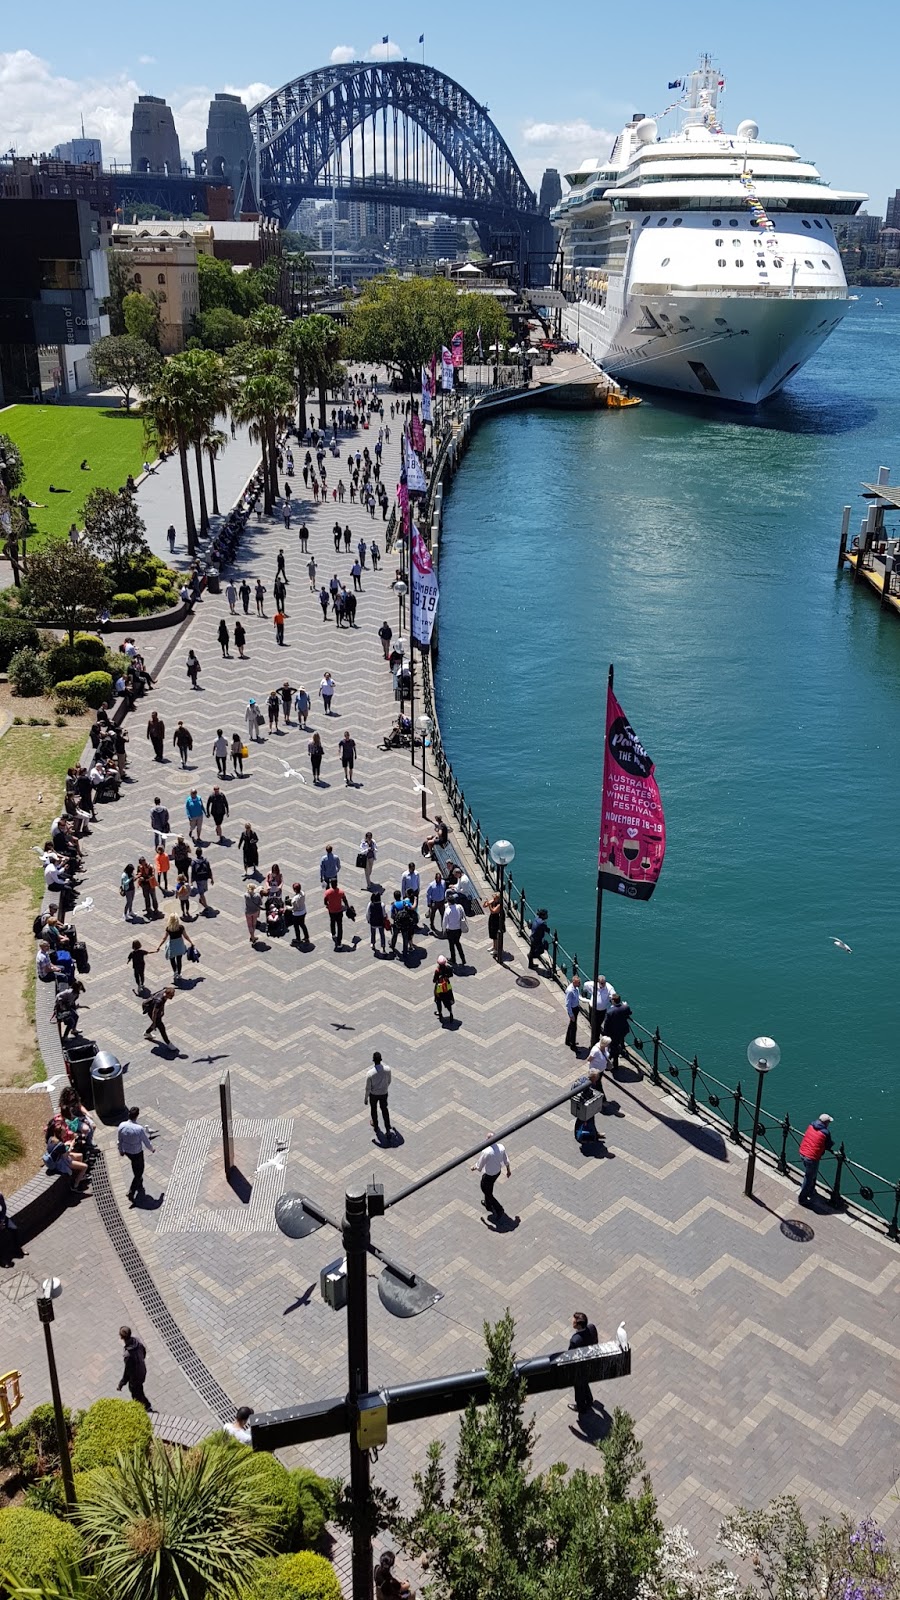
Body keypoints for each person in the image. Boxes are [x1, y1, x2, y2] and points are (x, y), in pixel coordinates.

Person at [117, 1107, 154, 1202]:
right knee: (139, 1171)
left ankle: (139, 1182)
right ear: (137, 1116)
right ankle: (131, 1191)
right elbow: (146, 1142)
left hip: (127, 1151)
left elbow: (119, 1140)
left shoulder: (122, 1125)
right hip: (137, 1152)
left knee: (134, 1164)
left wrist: (121, 1150)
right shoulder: (139, 1129)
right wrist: (152, 1149)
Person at [798, 1114, 834, 1206]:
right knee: (809, 1177)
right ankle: (802, 1198)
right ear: (826, 1123)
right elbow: (828, 1145)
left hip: (802, 1152)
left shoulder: (811, 1125)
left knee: (811, 1174)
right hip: (812, 1157)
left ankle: (810, 1190)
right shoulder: (825, 1132)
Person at [568, 1310, 599, 1416]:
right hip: (590, 1363)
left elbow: (570, 1356)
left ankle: (581, 1407)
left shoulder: (575, 1340)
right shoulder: (591, 1328)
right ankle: (589, 1400)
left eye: (574, 1321)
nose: (572, 1321)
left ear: (579, 1325)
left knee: (579, 1387)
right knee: (584, 1383)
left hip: (579, 1368)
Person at [473, 1140, 510, 1217]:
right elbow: (506, 1160)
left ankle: (499, 1209)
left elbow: (480, 1165)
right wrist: (508, 1170)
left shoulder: (486, 1152)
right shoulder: (501, 1147)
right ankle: (488, 1204)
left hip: (489, 1175)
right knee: (489, 1188)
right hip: (497, 1172)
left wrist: (474, 1167)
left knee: (485, 1189)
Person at [117, 1326, 151, 1410]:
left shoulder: (128, 1355)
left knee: (135, 1394)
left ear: (121, 1337)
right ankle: (147, 1405)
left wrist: (121, 1383)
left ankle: (143, 1408)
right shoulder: (137, 1342)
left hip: (135, 1377)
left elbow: (127, 1372)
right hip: (142, 1371)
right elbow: (144, 1352)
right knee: (139, 1389)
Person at [157, 914, 194, 981]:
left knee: (172, 960)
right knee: (179, 960)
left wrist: (159, 946)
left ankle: (175, 972)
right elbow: (186, 936)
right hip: (179, 945)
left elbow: (164, 938)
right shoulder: (181, 927)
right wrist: (191, 942)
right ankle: (179, 974)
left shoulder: (169, 928)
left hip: (172, 946)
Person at [365, 1052, 392, 1141]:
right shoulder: (387, 1070)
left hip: (374, 1094)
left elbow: (368, 1088)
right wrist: (384, 1088)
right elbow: (389, 1081)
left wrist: (366, 1098)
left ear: (373, 1060)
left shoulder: (370, 1073)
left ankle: (376, 1126)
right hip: (384, 1093)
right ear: (381, 1059)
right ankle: (388, 1129)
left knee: (373, 1109)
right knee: (385, 1110)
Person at [605, 993, 632, 1068]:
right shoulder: (625, 1008)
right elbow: (629, 1013)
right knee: (616, 1045)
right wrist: (626, 1005)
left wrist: (605, 1034)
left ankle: (613, 1061)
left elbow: (606, 1025)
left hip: (613, 1033)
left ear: (613, 1001)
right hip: (623, 1031)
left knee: (613, 1046)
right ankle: (615, 1060)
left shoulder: (610, 1012)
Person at [324, 880, 351, 949]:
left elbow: (325, 901)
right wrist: (347, 907)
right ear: (337, 884)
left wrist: (328, 906)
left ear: (331, 884)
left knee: (332, 922)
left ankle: (333, 934)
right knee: (339, 926)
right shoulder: (341, 892)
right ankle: (339, 942)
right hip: (339, 911)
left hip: (331, 911)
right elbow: (345, 900)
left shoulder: (328, 892)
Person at [443, 896, 467, 967]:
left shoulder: (447, 910)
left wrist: (444, 930)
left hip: (450, 930)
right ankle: (463, 958)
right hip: (458, 929)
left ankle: (453, 959)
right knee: (457, 943)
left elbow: (445, 921)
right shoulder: (459, 907)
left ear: (449, 902)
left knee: (451, 945)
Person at [432, 955, 454, 1023]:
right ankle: (450, 1013)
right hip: (447, 987)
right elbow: (451, 975)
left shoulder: (437, 970)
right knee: (448, 1000)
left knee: (438, 1001)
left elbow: (434, 980)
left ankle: (440, 1013)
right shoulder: (448, 968)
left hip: (439, 989)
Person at [564, 973, 582, 1052]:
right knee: (574, 1027)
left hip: (576, 1008)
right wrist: (571, 1015)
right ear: (574, 982)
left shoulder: (576, 988)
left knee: (571, 1025)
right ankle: (572, 1044)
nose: (579, 984)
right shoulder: (570, 991)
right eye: (578, 982)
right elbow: (568, 1004)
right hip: (573, 1009)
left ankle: (568, 1040)